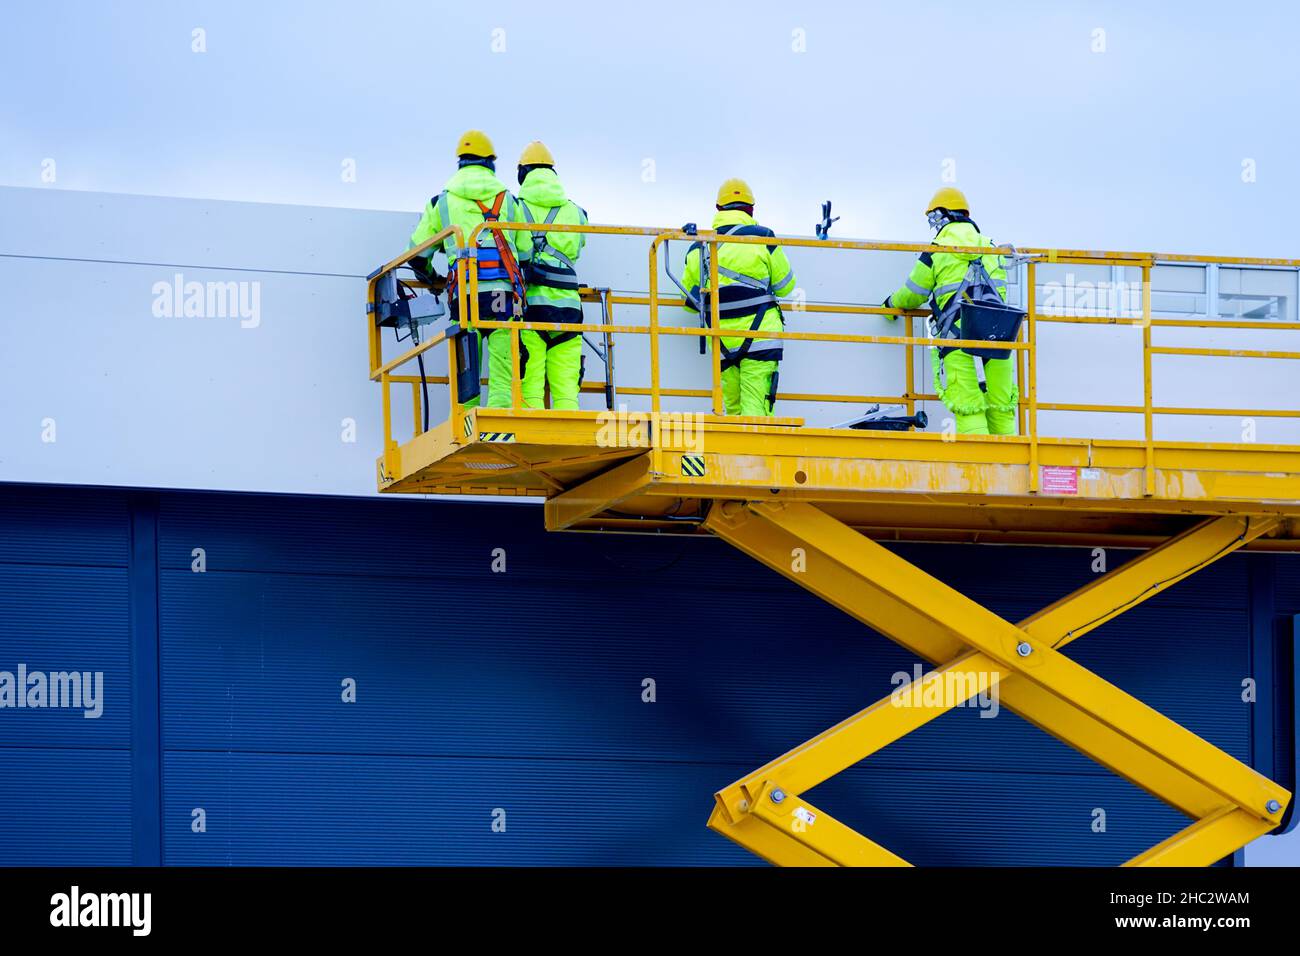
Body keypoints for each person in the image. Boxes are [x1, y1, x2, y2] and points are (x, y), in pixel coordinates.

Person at [883, 187, 1018, 435]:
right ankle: (1010, 470)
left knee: (970, 410)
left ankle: (981, 471)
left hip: (958, 338)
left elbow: (913, 294)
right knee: (1001, 409)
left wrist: (890, 305)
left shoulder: (937, 250)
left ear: (941, 217)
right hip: (998, 338)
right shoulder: (992, 247)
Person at [408, 129, 528, 407]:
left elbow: (417, 253)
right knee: (502, 366)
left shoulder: (442, 202)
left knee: (466, 366)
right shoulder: (508, 200)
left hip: (464, 294)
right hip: (501, 294)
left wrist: (430, 277)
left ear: (460, 163)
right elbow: (523, 251)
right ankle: (501, 425)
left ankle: (465, 425)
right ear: (490, 163)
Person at [681, 178, 796, 417]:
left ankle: (736, 455)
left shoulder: (699, 246)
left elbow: (691, 303)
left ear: (718, 209)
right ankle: (757, 454)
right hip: (761, 333)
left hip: (721, 338)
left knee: (732, 410)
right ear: (751, 209)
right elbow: (786, 287)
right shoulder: (764, 238)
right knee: (756, 410)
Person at [515, 141, 590, 410]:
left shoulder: (514, 207)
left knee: (530, 380)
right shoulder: (576, 212)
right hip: (568, 308)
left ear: (522, 173)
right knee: (567, 387)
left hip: (530, 308)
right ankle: (566, 429)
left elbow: (515, 249)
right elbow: (579, 248)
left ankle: (531, 429)